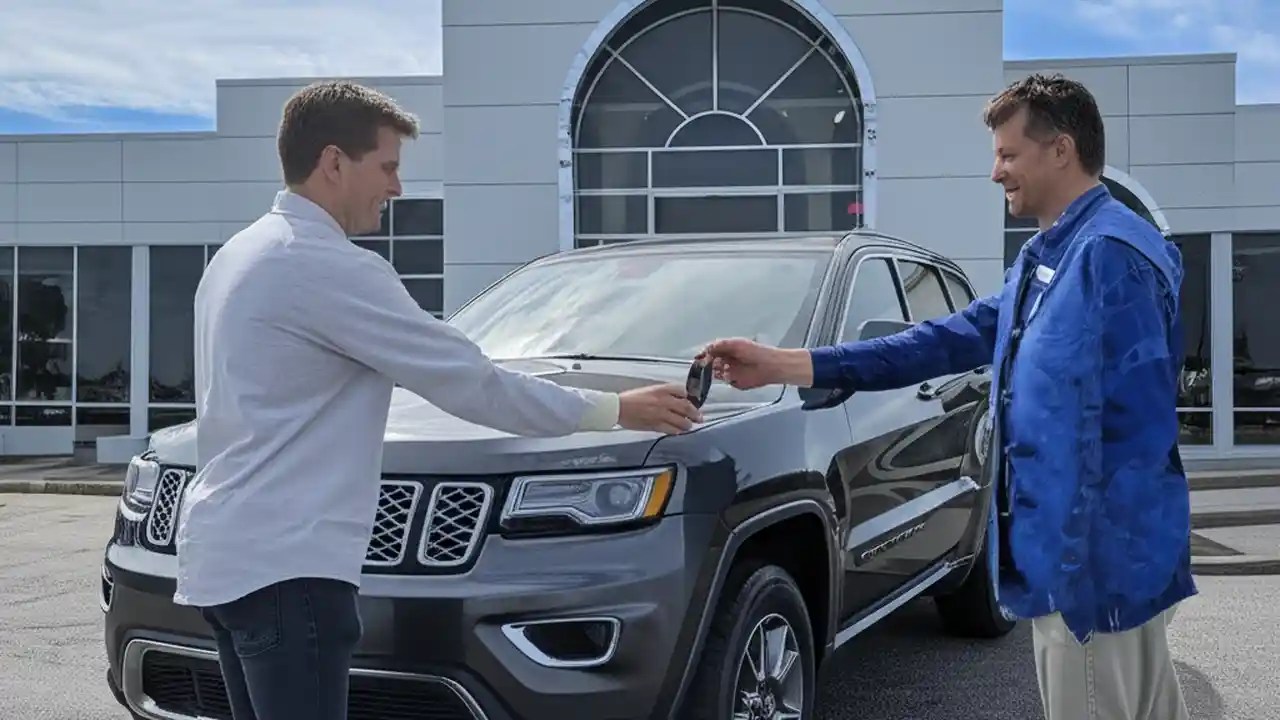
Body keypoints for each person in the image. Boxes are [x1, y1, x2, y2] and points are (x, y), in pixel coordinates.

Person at [172, 80, 703, 720]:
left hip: (227, 558)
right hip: (291, 570)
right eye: (388, 167)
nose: (397, 188)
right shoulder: (324, 265)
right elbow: (472, 383)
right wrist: (616, 409)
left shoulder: (236, 257)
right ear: (334, 162)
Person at [697, 73, 1193, 720]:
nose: (996, 173)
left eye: (1008, 155)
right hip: (1071, 560)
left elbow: (1137, 430)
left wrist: (1084, 574)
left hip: (1097, 572)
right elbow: (937, 342)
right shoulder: (1051, 254)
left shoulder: (1111, 257)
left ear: (1061, 150)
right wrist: (783, 364)